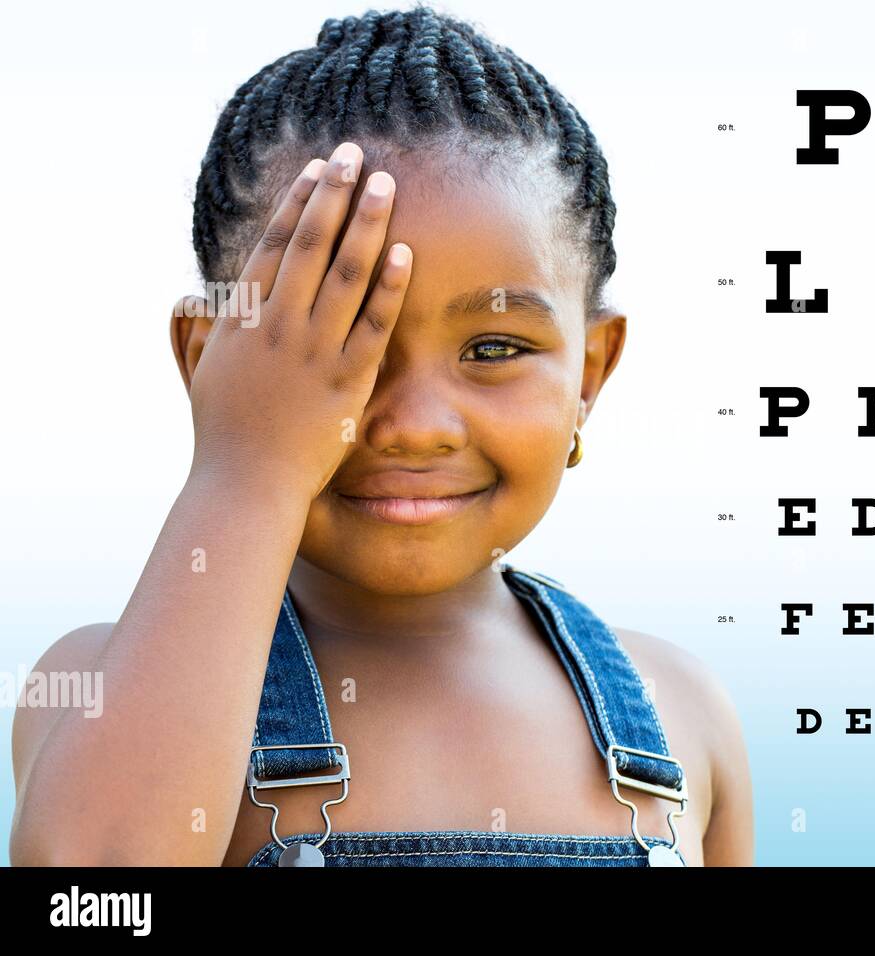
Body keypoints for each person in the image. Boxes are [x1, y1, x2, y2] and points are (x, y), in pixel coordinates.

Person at [9, 5, 752, 867]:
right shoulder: (107, 682)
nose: (415, 426)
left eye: (495, 348)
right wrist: (248, 469)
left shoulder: (681, 714)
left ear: (590, 374)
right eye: (341, 345)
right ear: (210, 367)